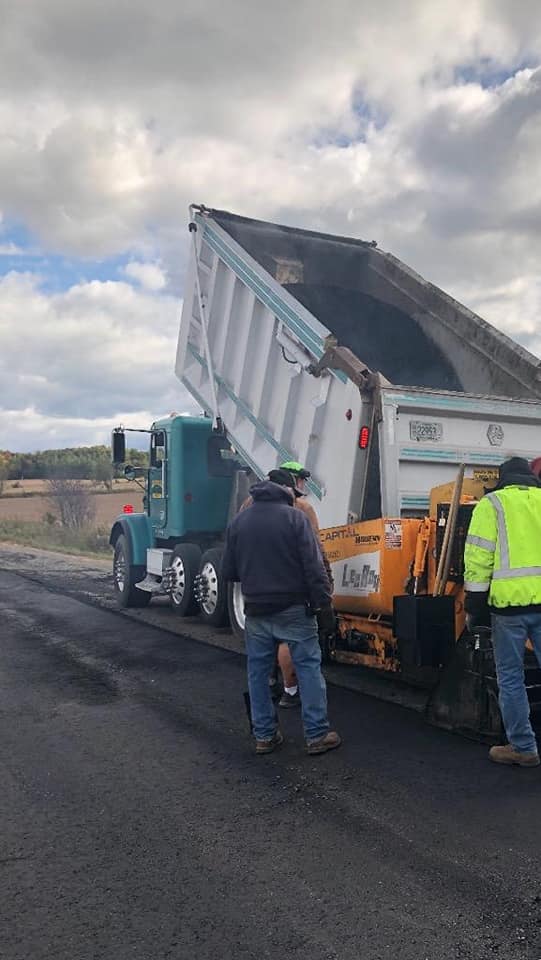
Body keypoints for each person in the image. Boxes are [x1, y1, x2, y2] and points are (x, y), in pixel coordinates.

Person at [222, 474, 341, 756]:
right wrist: (324, 606)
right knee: (309, 668)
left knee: (258, 672)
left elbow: (229, 571)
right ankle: (316, 735)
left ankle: (264, 736)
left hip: (256, 611)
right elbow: (314, 569)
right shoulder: (295, 519)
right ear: (288, 495)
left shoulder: (239, 522)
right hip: (294, 609)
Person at [464, 456, 541, 767]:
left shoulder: (492, 504)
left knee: (511, 678)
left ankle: (523, 748)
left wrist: (474, 607)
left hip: (508, 609)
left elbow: (479, 558)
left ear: (503, 479)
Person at [240, 463, 335, 709]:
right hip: (291, 596)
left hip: (255, 598)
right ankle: (293, 694)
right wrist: (325, 593)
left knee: (258, 666)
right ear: (291, 483)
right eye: (300, 482)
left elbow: (232, 562)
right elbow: (315, 554)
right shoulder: (301, 510)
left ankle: (263, 734)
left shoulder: (246, 508)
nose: (301, 488)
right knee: (294, 648)